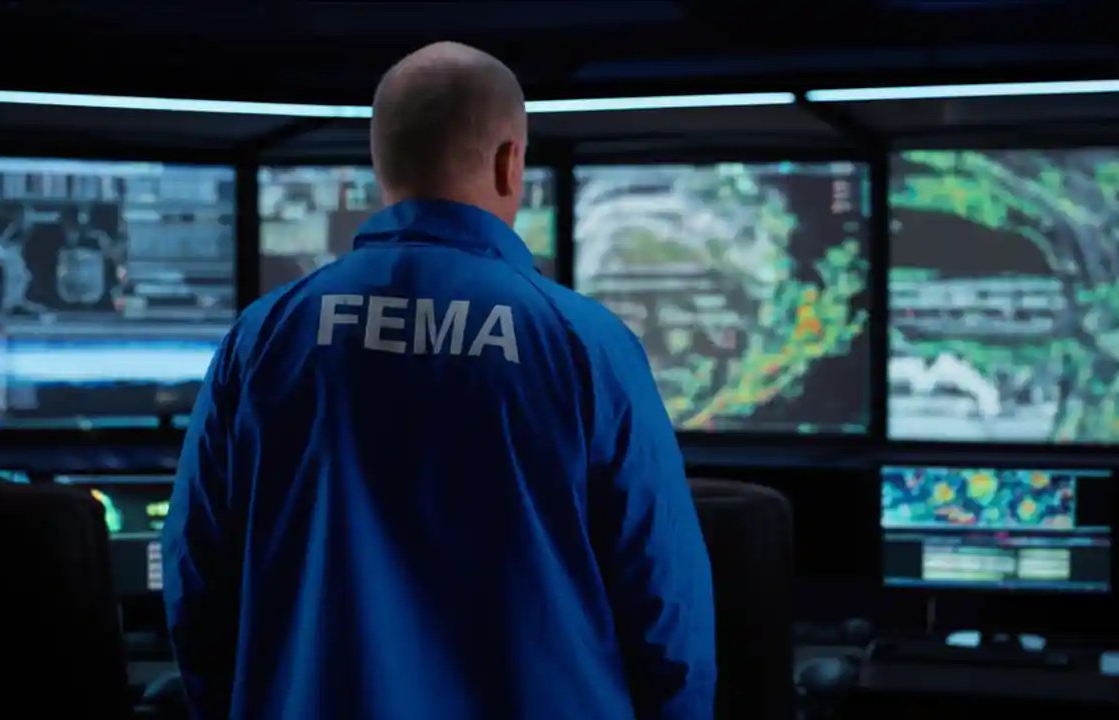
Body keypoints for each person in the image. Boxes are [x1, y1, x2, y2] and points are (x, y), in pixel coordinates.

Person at [163, 41, 716, 720]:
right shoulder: (586, 344)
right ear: (510, 162)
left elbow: (197, 584)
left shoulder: (264, 337)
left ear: (380, 161)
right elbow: (665, 611)